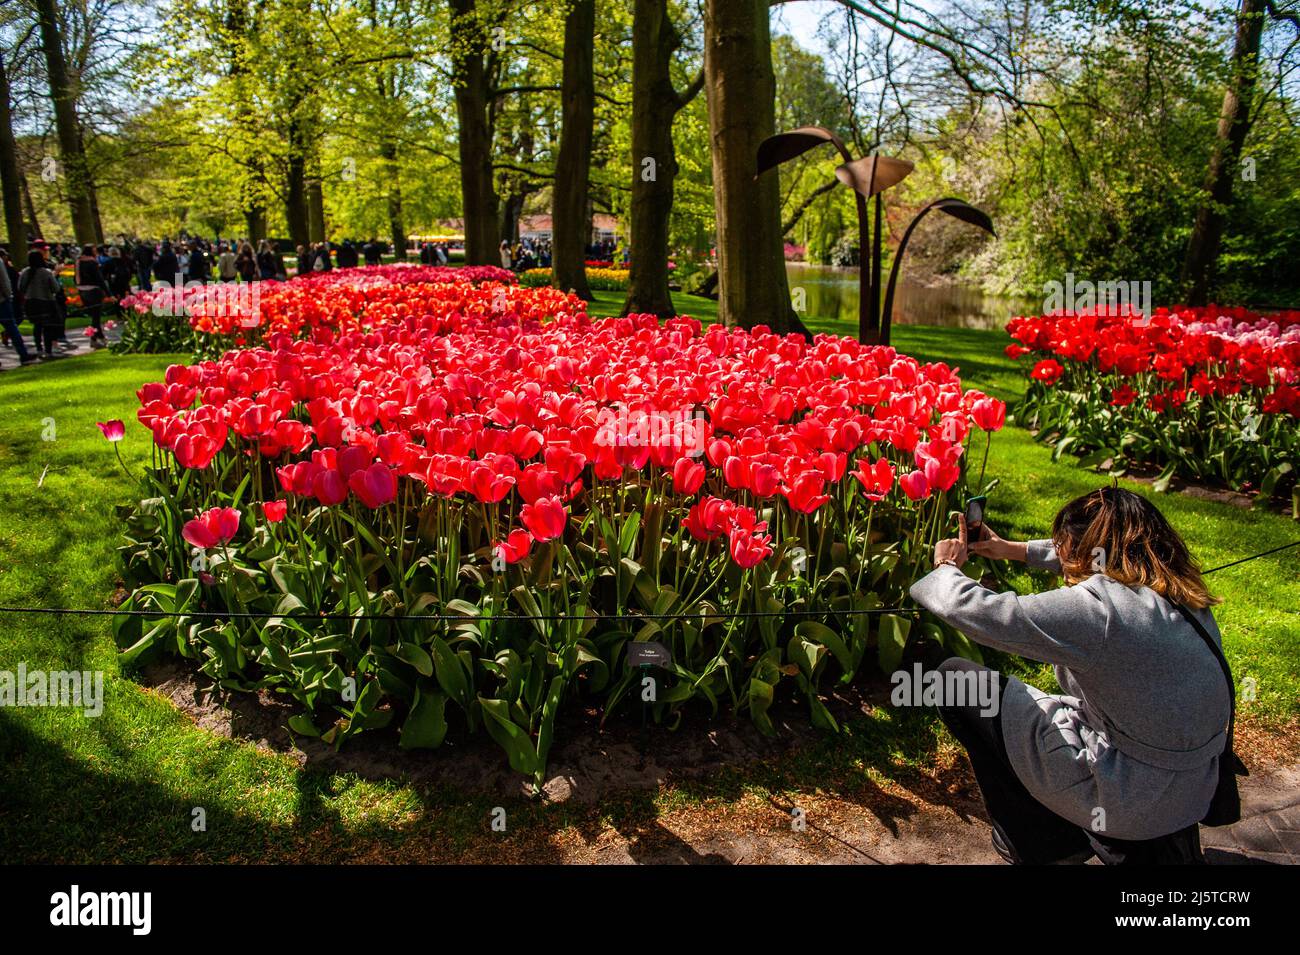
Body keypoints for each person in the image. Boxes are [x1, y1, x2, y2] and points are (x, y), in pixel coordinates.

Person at [909, 487, 1230, 865]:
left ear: (1084, 550)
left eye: (1063, 545)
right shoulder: (1178, 590)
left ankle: (1046, 839)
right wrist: (1012, 549)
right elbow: (1091, 556)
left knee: (956, 682)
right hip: (1192, 790)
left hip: (1128, 797)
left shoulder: (1099, 611)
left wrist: (946, 567)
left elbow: (982, 612)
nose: (1058, 552)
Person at [17, 249, 64, 359]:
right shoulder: (46, 272)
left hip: (31, 302)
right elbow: (56, 288)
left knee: (37, 326)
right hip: (46, 301)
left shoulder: (25, 272)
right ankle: (48, 351)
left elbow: (20, 288)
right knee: (47, 327)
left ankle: (39, 348)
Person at [0, 253, 35, 365]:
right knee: (12, 328)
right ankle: (23, 355)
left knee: (12, 327)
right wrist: (8, 295)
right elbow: (4, 281)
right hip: (1, 301)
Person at [75, 244, 109, 348]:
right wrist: (108, 293)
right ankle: (96, 338)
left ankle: (98, 338)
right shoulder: (92, 262)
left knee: (94, 316)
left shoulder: (78, 262)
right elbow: (99, 279)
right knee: (96, 317)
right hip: (94, 290)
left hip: (82, 290)